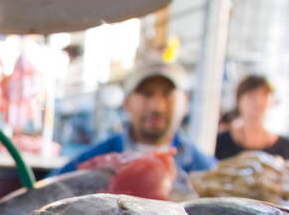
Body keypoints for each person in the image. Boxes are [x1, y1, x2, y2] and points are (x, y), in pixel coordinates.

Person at [53, 59, 215, 174]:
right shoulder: (96, 160)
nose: (156, 106)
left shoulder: (203, 170)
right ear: (127, 103)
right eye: (146, 94)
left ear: (184, 104)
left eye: (167, 95)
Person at [214, 75, 289, 161]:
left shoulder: (285, 146)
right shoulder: (221, 142)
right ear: (238, 100)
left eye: (264, 95)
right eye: (251, 95)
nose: (258, 102)